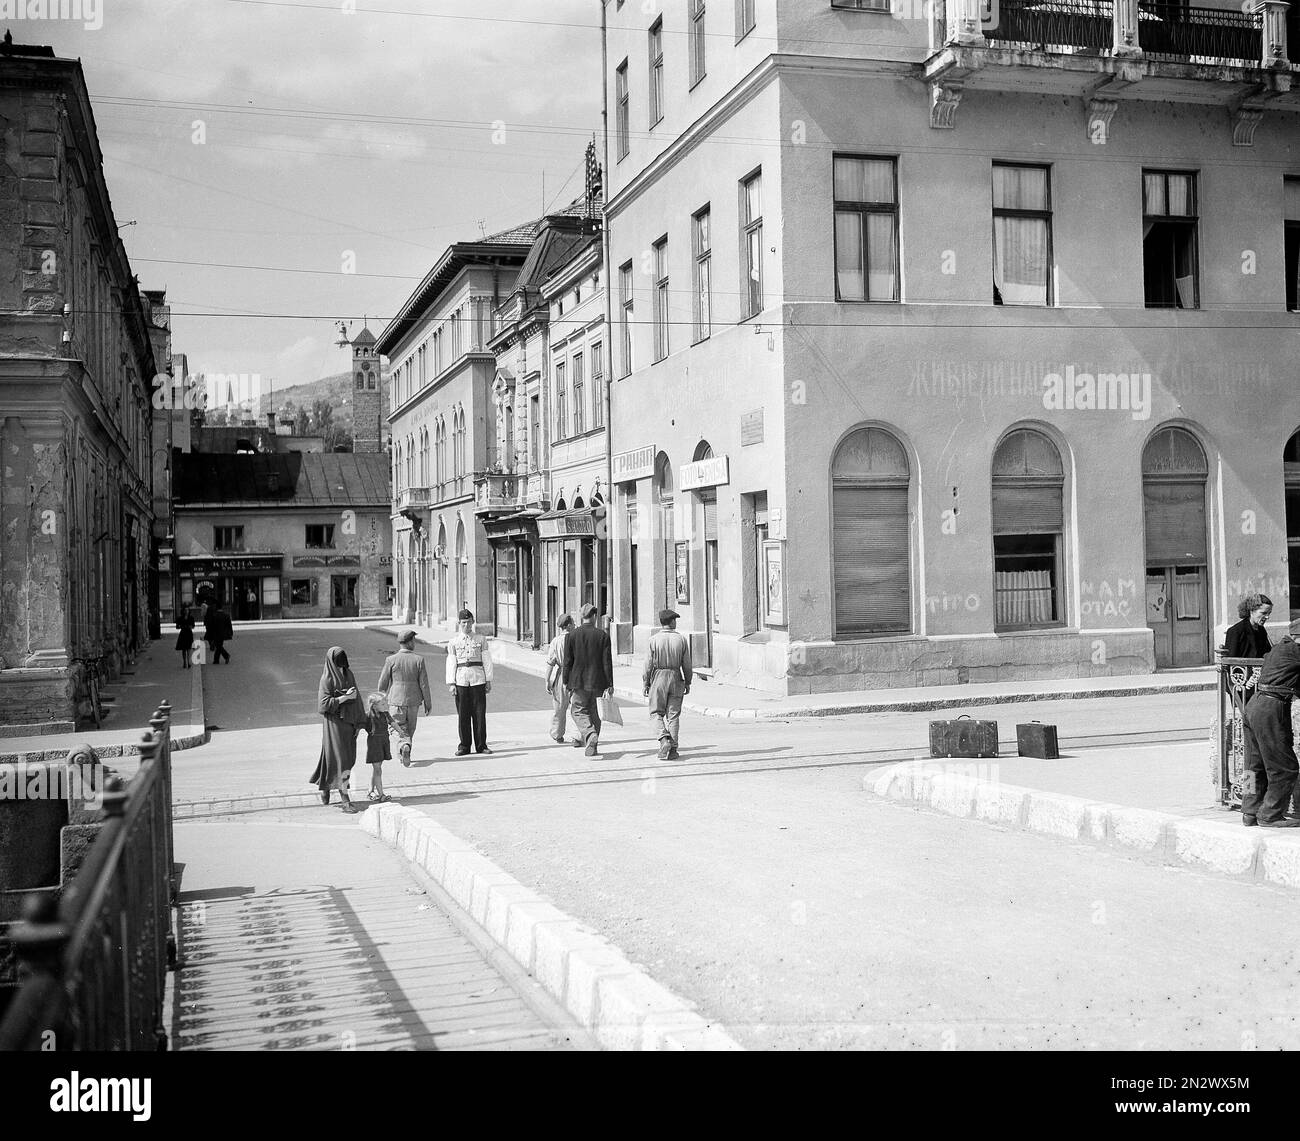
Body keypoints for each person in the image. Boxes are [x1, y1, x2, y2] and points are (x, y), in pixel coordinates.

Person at [1239, 618, 1300, 828]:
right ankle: (1270, 814)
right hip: (1271, 709)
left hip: (1254, 705)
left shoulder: (1278, 650)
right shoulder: (1296, 652)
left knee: (1252, 766)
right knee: (1285, 768)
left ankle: (1249, 810)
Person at [310, 646, 366, 813]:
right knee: (340, 759)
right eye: (338, 660)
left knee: (342, 758)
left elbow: (358, 699)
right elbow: (323, 705)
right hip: (334, 724)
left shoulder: (349, 674)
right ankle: (345, 798)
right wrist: (344, 698)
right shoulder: (326, 679)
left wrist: (359, 723)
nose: (342, 663)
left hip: (349, 723)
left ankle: (325, 786)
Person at [563, 603, 613, 757]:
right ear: (594, 617)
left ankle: (590, 735)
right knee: (594, 712)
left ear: (581, 617)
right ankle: (593, 745)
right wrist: (610, 684)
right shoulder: (602, 635)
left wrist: (566, 681)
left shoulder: (571, 635)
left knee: (577, 710)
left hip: (579, 682)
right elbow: (607, 661)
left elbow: (567, 662)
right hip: (598, 681)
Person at [643, 608, 693, 761]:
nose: (676, 622)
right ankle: (673, 748)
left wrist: (646, 682)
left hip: (658, 676)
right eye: (674, 620)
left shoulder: (653, 640)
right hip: (676, 676)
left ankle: (664, 738)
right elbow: (687, 664)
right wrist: (688, 681)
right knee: (673, 715)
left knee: (655, 712)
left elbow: (648, 664)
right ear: (670, 622)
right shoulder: (681, 639)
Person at [378, 629, 432, 766]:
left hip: (396, 700)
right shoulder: (418, 660)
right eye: (413, 640)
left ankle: (404, 745)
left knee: (396, 728)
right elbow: (424, 684)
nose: (414, 643)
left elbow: (382, 684)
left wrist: (380, 700)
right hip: (414, 701)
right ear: (409, 642)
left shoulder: (391, 660)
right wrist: (428, 703)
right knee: (410, 728)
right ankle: (404, 751)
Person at [446, 609, 493, 755]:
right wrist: (451, 683)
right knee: (463, 714)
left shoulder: (480, 639)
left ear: (473, 622)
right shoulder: (454, 642)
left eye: (469, 622)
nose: (467, 625)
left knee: (479, 714)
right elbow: (451, 662)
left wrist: (488, 680)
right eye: (464, 622)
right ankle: (464, 746)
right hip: (461, 680)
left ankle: (481, 745)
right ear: (459, 624)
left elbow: (486, 660)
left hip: (478, 679)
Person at [545, 614, 575, 743]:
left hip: (561, 674)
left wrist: (547, 680)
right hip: (575, 674)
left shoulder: (555, 641)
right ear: (568, 625)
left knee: (559, 707)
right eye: (573, 623)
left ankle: (557, 733)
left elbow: (550, 663)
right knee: (577, 706)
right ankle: (579, 735)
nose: (574, 625)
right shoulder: (575, 639)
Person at [363, 693, 393, 803]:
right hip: (374, 744)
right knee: (378, 769)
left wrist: (400, 732)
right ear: (374, 705)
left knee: (377, 769)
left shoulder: (385, 714)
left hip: (384, 742)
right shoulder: (368, 716)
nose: (386, 705)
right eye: (383, 704)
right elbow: (358, 726)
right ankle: (381, 795)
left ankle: (370, 790)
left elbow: (393, 723)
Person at [1223, 593, 1272, 659]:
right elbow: (1230, 660)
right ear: (1251, 611)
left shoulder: (1261, 629)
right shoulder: (1236, 631)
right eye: (1264, 613)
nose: (1267, 617)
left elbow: (1267, 652)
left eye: (1269, 613)